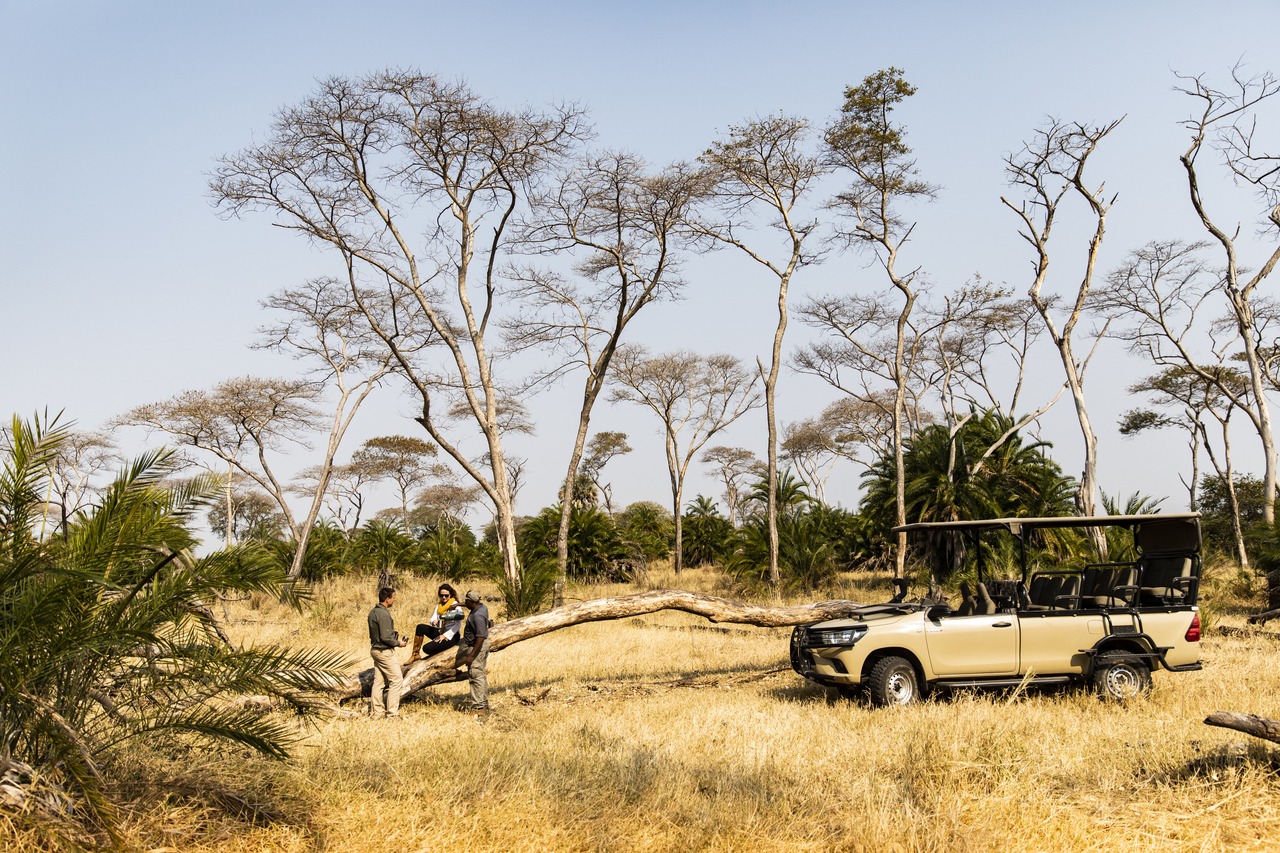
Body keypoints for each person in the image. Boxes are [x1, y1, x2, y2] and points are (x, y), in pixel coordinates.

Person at [367, 586, 408, 719]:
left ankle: (377, 712)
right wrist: (399, 643)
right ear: (387, 599)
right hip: (384, 651)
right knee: (396, 680)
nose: (394, 600)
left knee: (378, 682)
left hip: (375, 650)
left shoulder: (373, 612)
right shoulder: (383, 614)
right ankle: (392, 713)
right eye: (393, 598)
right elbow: (385, 637)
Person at [407, 583, 465, 664]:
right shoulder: (440, 605)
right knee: (420, 627)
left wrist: (445, 636)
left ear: (450, 595)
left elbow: (458, 625)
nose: (443, 597)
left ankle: (436, 653)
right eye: (441, 595)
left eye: (446, 595)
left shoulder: (455, 605)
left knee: (426, 648)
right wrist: (434, 621)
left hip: (451, 636)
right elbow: (433, 618)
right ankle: (415, 654)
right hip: (440, 631)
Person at [454, 589, 491, 714]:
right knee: (480, 674)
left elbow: (480, 637)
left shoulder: (478, 616)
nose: (465, 602)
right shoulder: (481, 607)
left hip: (477, 645)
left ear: (472, 602)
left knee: (475, 675)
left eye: (466, 601)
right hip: (479, 645)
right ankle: (483, 703)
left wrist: (471, 655)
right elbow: (469, 604)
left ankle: (479, 707)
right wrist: (457, 605)